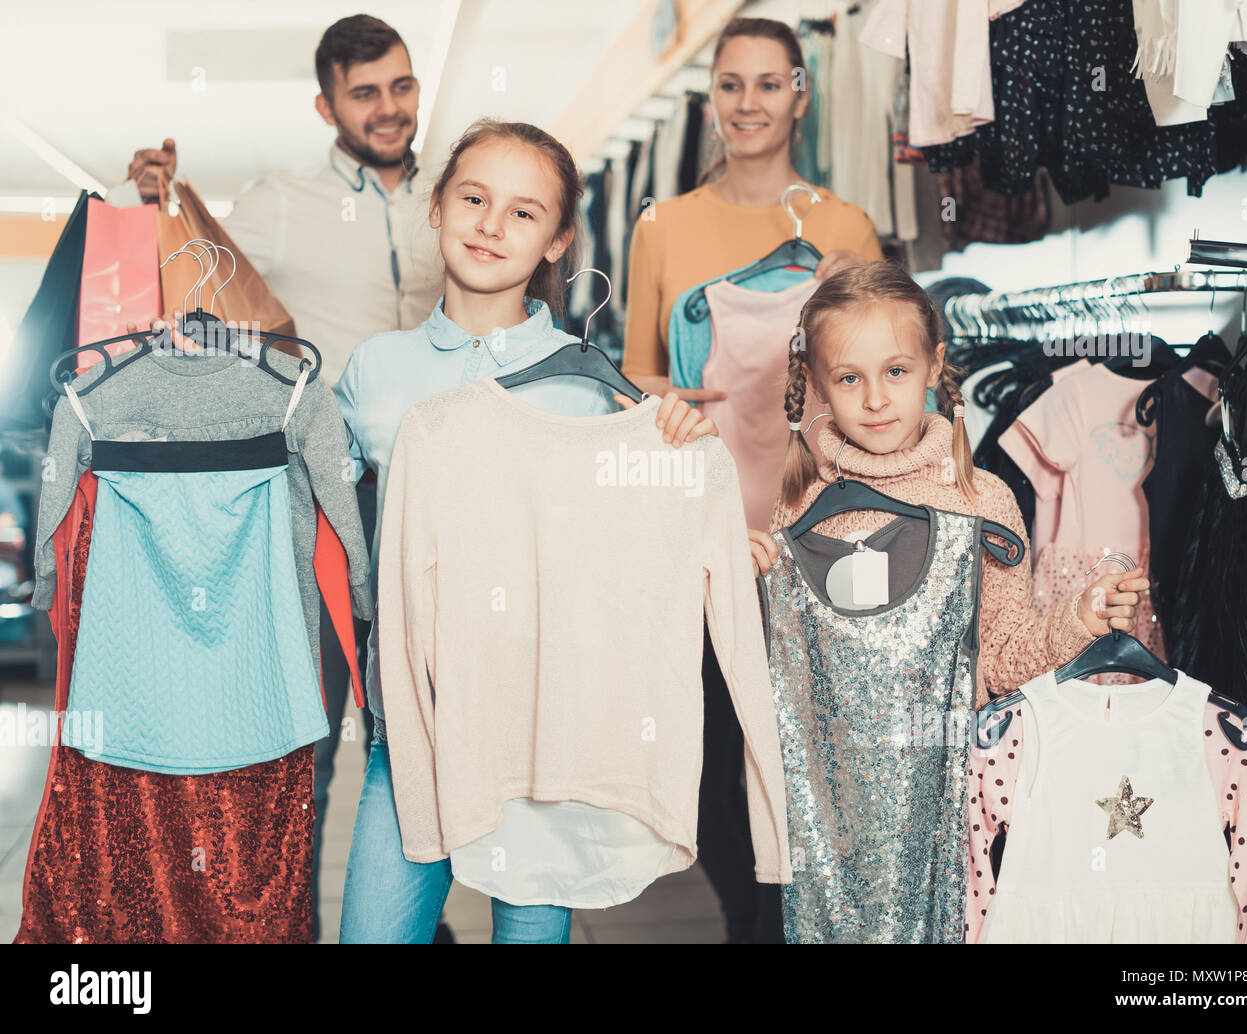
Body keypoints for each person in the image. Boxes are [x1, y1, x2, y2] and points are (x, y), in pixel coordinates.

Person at [336, 118, 718, 944]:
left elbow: (630, 556)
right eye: (473, 198)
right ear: (436, 207)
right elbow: (319, 513)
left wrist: (679, 455)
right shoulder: (375, 371)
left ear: (558, 240)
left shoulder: (590, 389)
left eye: (523, 212)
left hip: (543, 735)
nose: (490, 225)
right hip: (412, 732)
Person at [113, 14, 442, 943]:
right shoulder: (284, 198)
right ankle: (283, 921)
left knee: (418, 729)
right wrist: (155, 199)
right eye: (366, 92)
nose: (389, 108)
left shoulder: (456, 195)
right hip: (321, 499)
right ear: (326, 103)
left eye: (402, 86)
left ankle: (405, 914)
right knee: (311, 725)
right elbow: (187, 260)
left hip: (436, 503)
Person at [754, 261, 1151, 939]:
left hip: (952, 810)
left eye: (897, 372)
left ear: (937, 367)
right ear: (817, 386)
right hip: (835, 822)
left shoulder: (982, 501)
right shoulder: (800, 508)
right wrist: (750, 583)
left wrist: (1076, 619)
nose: (876, 399)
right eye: (850, 379)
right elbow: (786, 679)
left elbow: (1000, 661)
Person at [621, 15, 886, 943]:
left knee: (812, 741)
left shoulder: (846, 225)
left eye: (768, 84)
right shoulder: (664, 225)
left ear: (800, 95)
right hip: (701, 528)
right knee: (709, 747)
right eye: (730, 85)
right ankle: (752, 921)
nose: (748, 103)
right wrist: (670, 397)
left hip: (821, 524)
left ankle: (804, 914)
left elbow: (887, 372)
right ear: (710, 101)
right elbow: (634, 378)